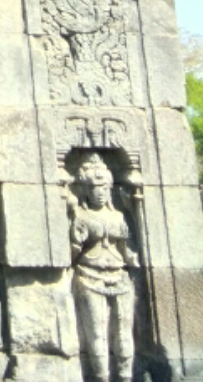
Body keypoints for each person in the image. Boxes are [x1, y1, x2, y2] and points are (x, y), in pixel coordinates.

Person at [67, 151, 137, 382]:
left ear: (110, 189)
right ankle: (101, 378)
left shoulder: (118, 216)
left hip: (119, 277)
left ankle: (126, 377)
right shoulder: (81, 216)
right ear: (85, 189)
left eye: (104, 188)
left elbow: (126, 250)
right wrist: (77, 241)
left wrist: (132, 259)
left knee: (124, 333)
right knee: (97, 333)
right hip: (89, 276)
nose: (100, 193)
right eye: (95, 188)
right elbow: (72, 253)